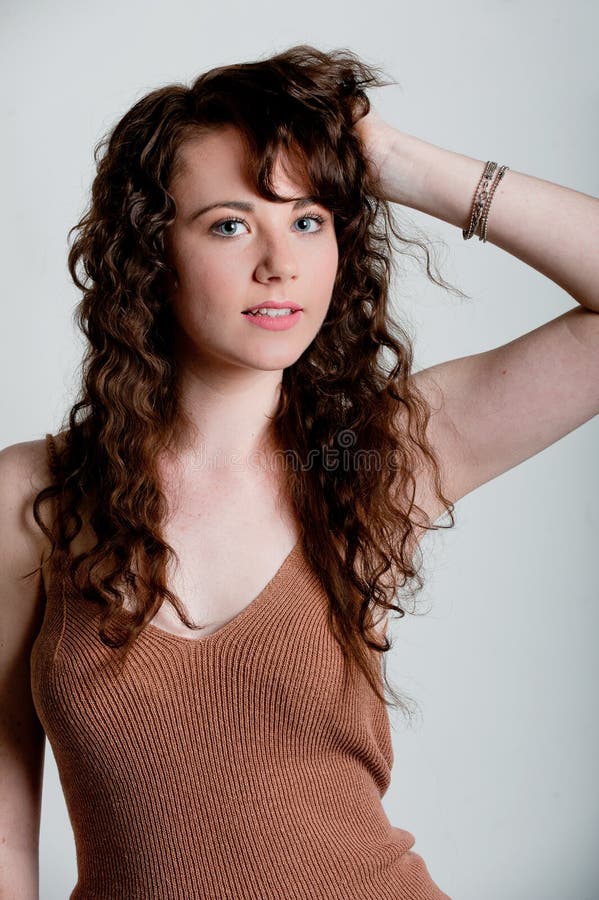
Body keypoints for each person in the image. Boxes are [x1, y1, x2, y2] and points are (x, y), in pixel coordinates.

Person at [1, 43, 598, 900]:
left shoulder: (381, 458)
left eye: (310, 218)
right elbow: (4, 785)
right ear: (150, 251)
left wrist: (395, 163)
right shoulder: (33, 498)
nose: (279, 260)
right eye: (231, 222)